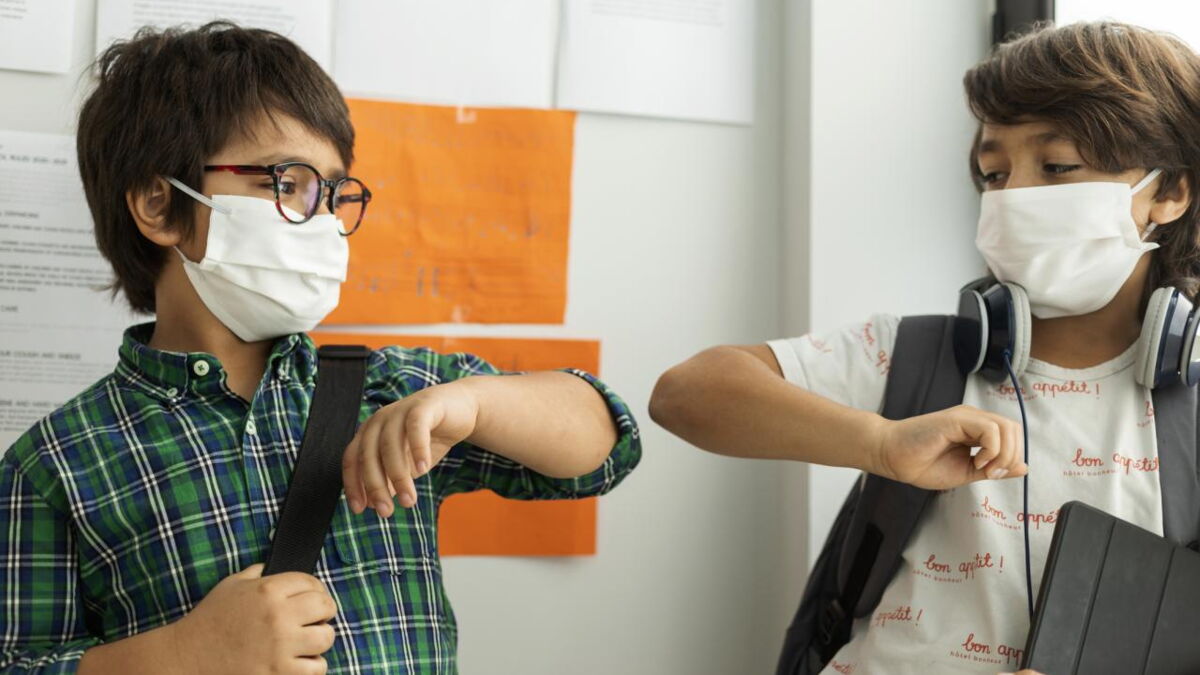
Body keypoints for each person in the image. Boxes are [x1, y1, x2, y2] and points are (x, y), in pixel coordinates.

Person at [0, 22, 640, 674]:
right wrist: (182, 656)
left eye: (333, 193)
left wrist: (474, 404)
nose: (327, 222)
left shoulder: (398, 390)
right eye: (290, 183)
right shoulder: (55, 463)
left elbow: (606, 443)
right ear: (160, 207)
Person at [651, 20, 1200, 674]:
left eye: (1057, 167)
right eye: (994, 173)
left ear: (1168, 192)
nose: (1014, 196)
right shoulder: (917, 355)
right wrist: (880, 444)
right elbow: (683, 394)